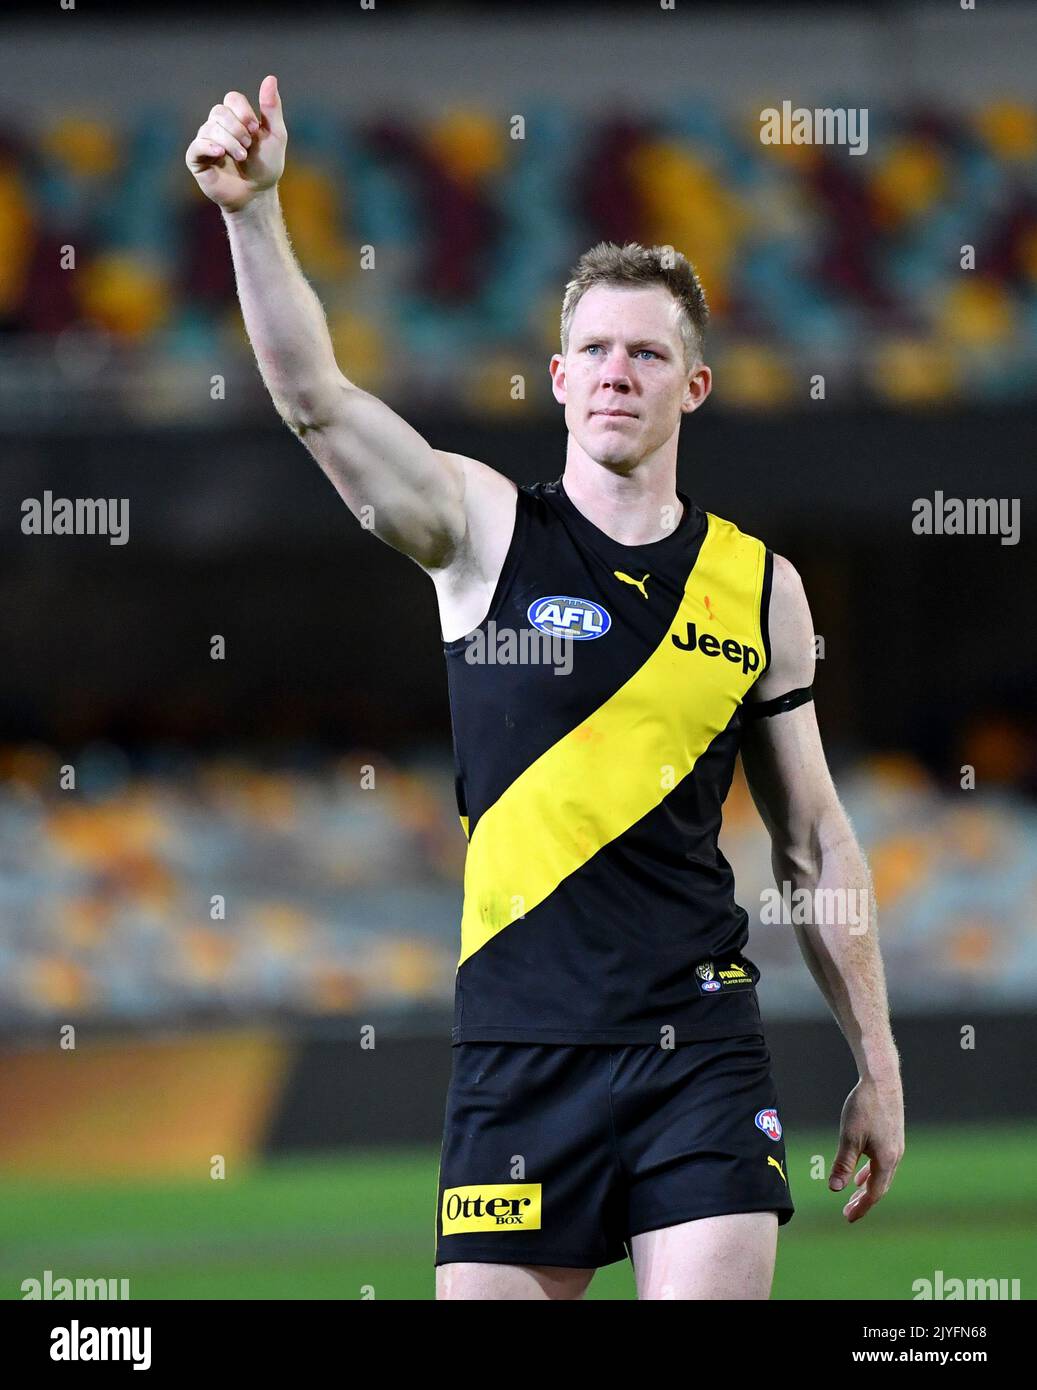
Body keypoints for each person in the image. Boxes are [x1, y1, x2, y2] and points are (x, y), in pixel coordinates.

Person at [186, 75, 905, 1301]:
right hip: (519, 1060)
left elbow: (811, 837)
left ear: (694, 386)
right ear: (557, 379)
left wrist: (876, 1057)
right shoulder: (477, 534)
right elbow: (316, 401)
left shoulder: (759, 587)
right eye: (592, 351)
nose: (616, 371)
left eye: (646, 352)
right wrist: (252, 214)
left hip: (698, 1055)